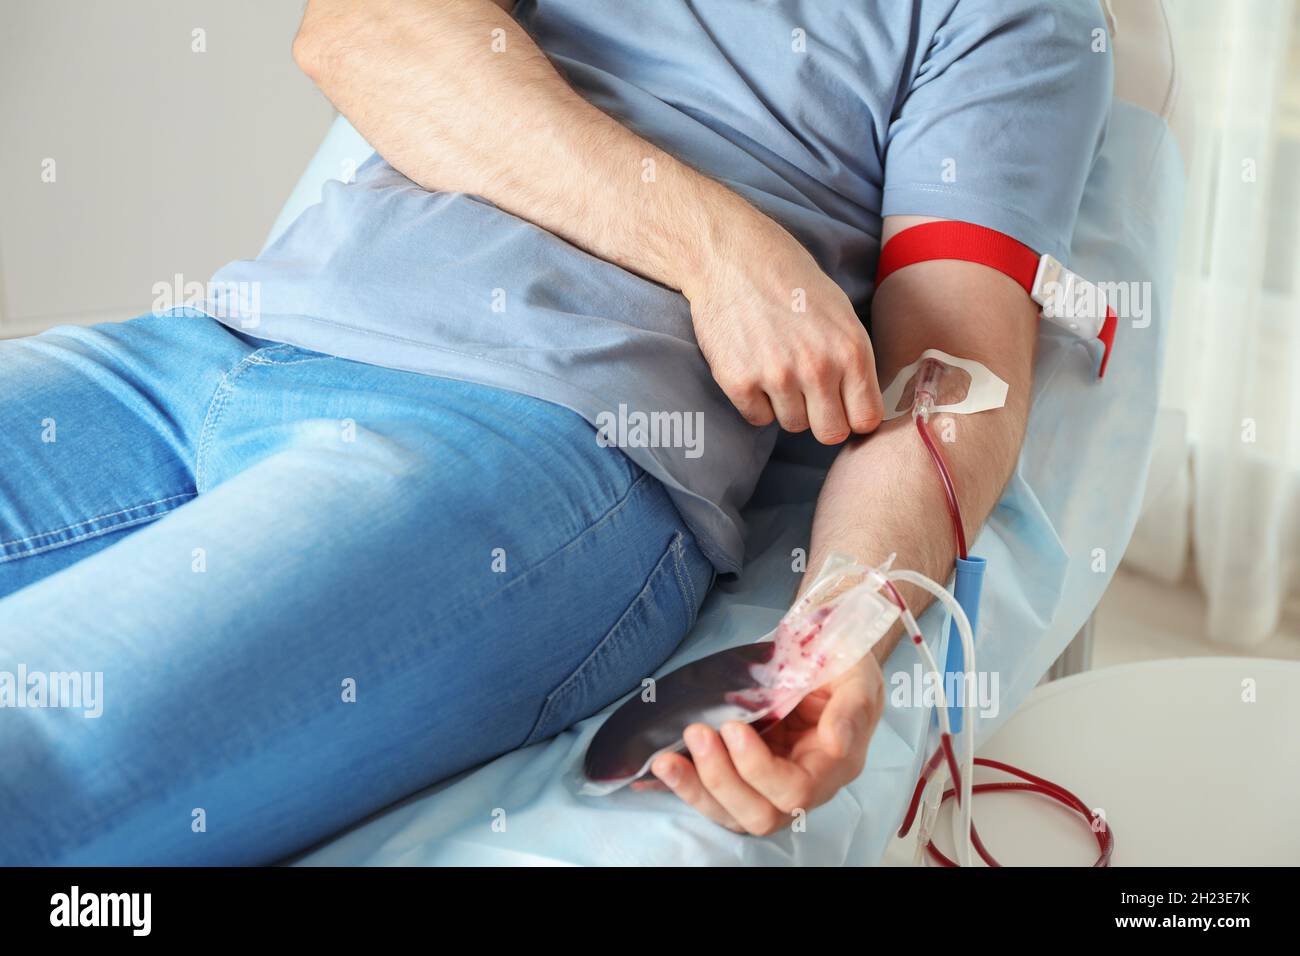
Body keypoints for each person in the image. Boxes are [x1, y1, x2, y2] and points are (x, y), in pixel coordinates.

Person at [0, 0, 1111, 863]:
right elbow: (360, 32)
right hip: (213, 345)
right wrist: (723, 251)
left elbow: (948, 386)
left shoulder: (1011, 20)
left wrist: (837, 634)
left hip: (528, 445)